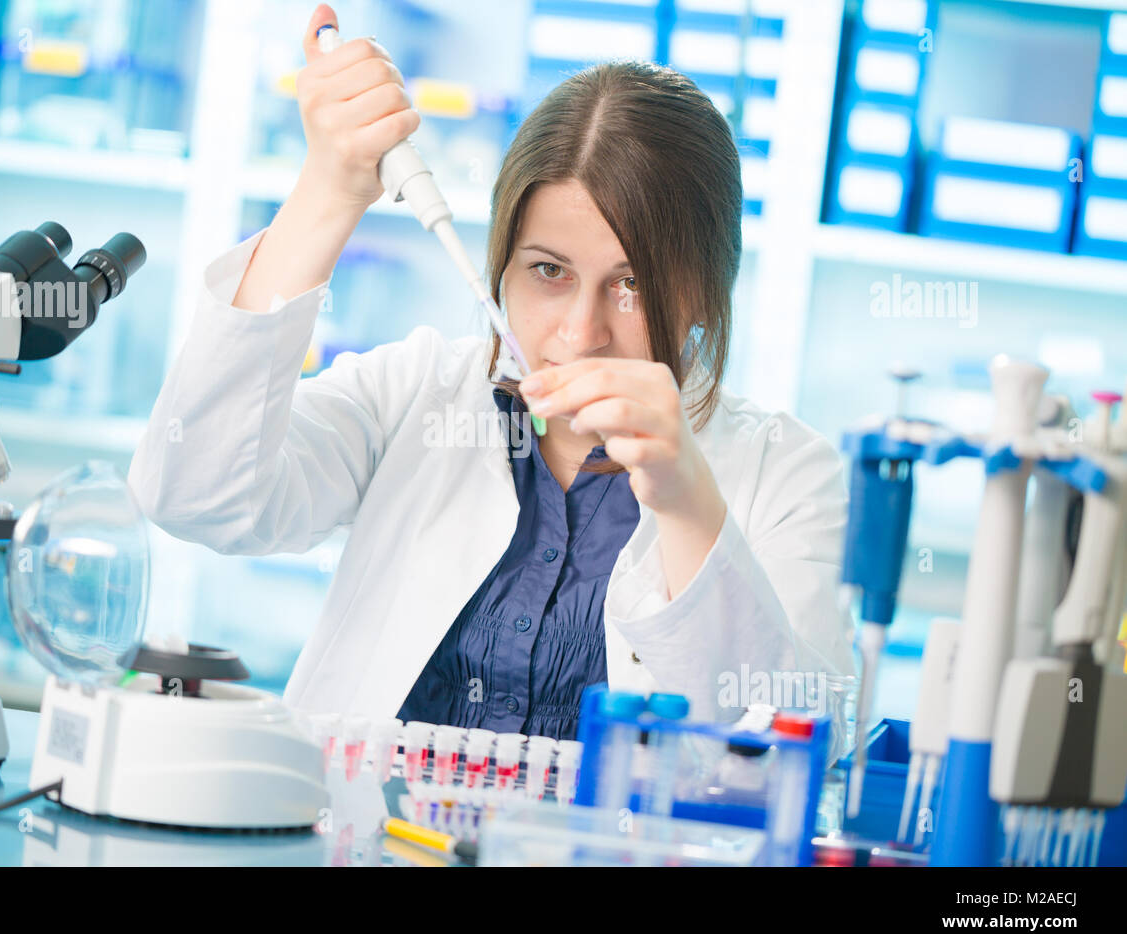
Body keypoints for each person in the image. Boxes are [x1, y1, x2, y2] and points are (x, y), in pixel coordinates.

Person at [128, 4, 855, 735]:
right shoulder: (414, 394)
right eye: (548, 271)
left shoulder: (786, 474)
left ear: (704, 287)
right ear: (502, 265)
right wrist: (330, 186)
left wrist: (688, 498)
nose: (581, 332)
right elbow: (194, 492)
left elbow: (789, 744)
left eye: (631, 283)